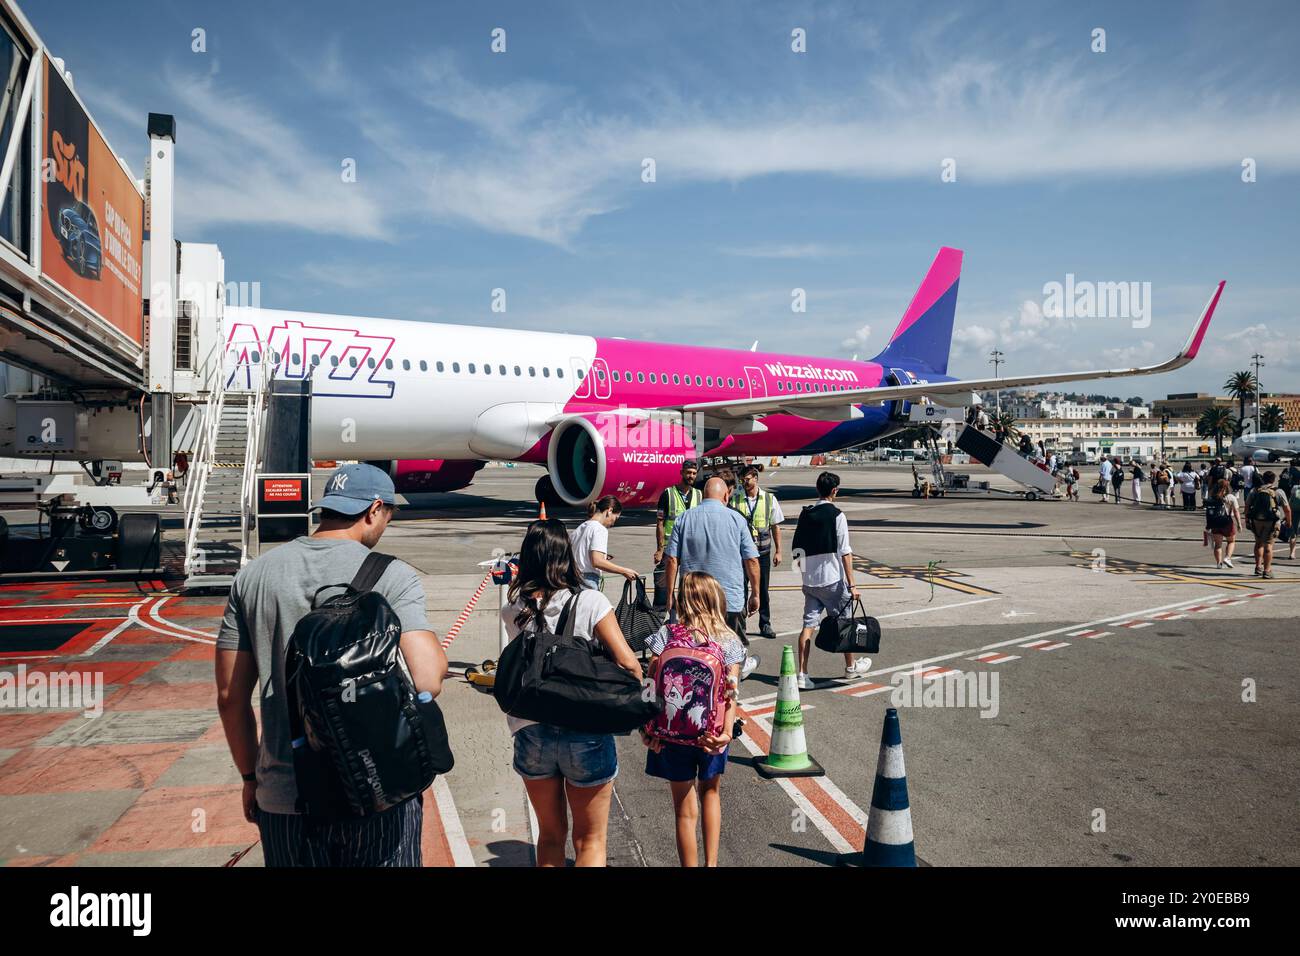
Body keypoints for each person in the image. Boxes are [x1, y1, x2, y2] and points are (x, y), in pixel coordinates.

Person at [215, 463, 448, 867]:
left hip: (286, 798)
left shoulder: (253, 576)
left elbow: (229, 697)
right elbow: (428, 679)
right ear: (375, 510)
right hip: (376, 790)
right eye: (388, 516)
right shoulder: (392, 576)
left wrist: (251, 779)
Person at [502, 518, 643, 866]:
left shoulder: (513, 609)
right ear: (566, 556)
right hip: (585, 728)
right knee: (590, 840)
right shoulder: (591, 602)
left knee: (550, 837)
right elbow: (629, 663)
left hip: (530, 729)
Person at [640, 572, 742, 867]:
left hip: (670, 732)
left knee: (683, 809)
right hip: (710, 734)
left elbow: (650, 683)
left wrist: (647, 728)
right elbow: (731, 691)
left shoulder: (667, 635)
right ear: (716, 600)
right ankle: (711, 864)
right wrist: (725, 733)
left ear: (682, 601)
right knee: (710, 793)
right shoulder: (727, 640)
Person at [663, 477, 761, 679]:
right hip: (729, 599)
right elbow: (751, 560)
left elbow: (672, 559)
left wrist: (670, 594)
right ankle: (731, 688)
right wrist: (756, 593)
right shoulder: (737, 519)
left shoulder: (684, 519)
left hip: (693, 600)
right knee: (732, 648)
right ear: (726, 495)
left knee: (695, 648)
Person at [792, 471, 869, 689]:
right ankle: (850, 668)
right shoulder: (837, 515)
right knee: (844, 623)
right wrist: (852, 585)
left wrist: (805, 574)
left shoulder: (805, 514)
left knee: (808, 626)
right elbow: (845, 552)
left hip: (810, 582)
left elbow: (797, 549)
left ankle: (802, 674)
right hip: (832, 580)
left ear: (818, 489)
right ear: (834, 491)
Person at [730, 464, 784, 639]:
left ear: (755, 478)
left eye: (747, 479)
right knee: (741, 589)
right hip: (742, 554)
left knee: (763, 589)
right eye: (742, 480)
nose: (744, 483)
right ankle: (741, 625)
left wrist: (779, 551)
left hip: (763, 553)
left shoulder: (769, 499)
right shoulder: (736, 498)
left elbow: (775, 526)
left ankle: (765, 623)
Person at [654, 461, 701, 608]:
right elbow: (660, 523)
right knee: (663, 587)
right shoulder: (668, 494)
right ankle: (659, 618)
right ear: (681, 473)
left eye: (694, 473)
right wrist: (660, 549)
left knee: (689, 588)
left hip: (690, 549)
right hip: (669, 549)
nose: (691, 476)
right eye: (688, 472)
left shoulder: (699, 495)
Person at [570, 495, 638, 590]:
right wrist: (624, 571)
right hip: (588, 581)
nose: (613, 523)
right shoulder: (599, 529)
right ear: (609, 511)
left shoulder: (579, 528)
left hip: (573, 579)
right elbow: (597, 561)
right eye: (615, 518)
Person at [1245, 471, 1292, 579]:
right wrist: (1289, 522)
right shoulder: (1278, 491)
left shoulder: (1255, 490)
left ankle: (1258, 567)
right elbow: (1287, 509)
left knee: (1258, 543)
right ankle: (1267, 570)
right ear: (1273, 480)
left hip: (1257, 520)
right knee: (1269, 545)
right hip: (1272, 521)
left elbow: (1247, 505)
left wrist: (1247, 519)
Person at [1204, 478, 1242, 569]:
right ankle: (1227, 558)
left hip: (1215, 523)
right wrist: (1239, 524)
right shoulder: (1231, 497)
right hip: (1227, 522)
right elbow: (1236, 512)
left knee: (1218, 544)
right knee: (1231, 541)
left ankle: (1218, 563)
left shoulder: (1212, 497)